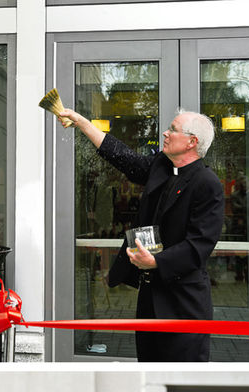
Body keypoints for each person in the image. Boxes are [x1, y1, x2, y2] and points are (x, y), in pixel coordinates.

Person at [59, 107, 224, 361]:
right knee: (147, 371)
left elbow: (199, 245)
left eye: (173, 129)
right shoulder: (161, 166)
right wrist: (82, 124)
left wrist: (156, 261)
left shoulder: (207, 183)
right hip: (150, 298)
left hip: (184, 304)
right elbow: (123, 157)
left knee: (180, 381)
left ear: (192, 142)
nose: (165, 134)